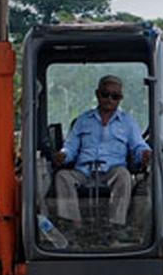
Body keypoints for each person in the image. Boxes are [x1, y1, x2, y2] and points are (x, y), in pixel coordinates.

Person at [53, 75, 152, 237]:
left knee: (123, 175)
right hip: (84, 172)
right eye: (105, 94)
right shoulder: (83, 120)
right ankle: (73, 225)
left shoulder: (128, 122)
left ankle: (115, 226)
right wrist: (63, 155)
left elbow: (138, 146)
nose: (109, 99)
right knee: (62, 176)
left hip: (111, 171)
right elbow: (70, 146)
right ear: (97, 94)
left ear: (120, 99)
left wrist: (144, 154)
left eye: (115, 96)